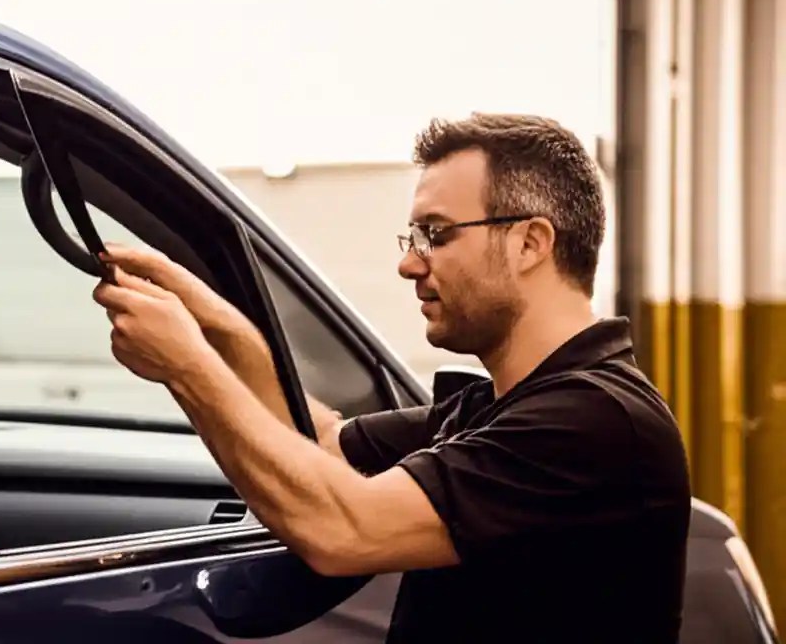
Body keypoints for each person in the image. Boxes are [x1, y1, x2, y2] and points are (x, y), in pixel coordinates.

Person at [91, 112, 691, 644]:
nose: (409, 262)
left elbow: (341, 528)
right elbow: (319, 447)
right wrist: (219, 326)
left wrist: (187, 368)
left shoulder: (594, 423)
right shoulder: (499, 406)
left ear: (530, 242)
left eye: (436, 233)